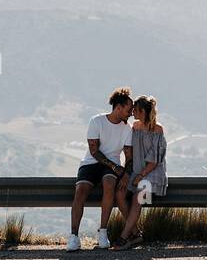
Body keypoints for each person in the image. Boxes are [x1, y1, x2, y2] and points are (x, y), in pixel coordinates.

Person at [68, 86, 134, 251]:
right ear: (118, 107)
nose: (131, 113)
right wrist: (114, 166)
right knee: (81, 190)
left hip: (112, 165)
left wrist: (126, 174)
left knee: (109, 185)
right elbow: (94, 151)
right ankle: (74, 237)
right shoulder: (96, 121)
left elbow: (129, 156)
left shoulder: (127, 129)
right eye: (129, 109)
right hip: (91, 162)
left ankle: (103, 232)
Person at [112, 95, 167, 250]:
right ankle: (136, 234)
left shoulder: (158, 129)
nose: (132, 113)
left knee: (138, 198)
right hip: (136, 172)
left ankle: (123, 238)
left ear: (142, 111)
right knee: (120, 194)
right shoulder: (134, 127)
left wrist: (141, 175)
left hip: (152, 174)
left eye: (135, 110)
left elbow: (155, 160)